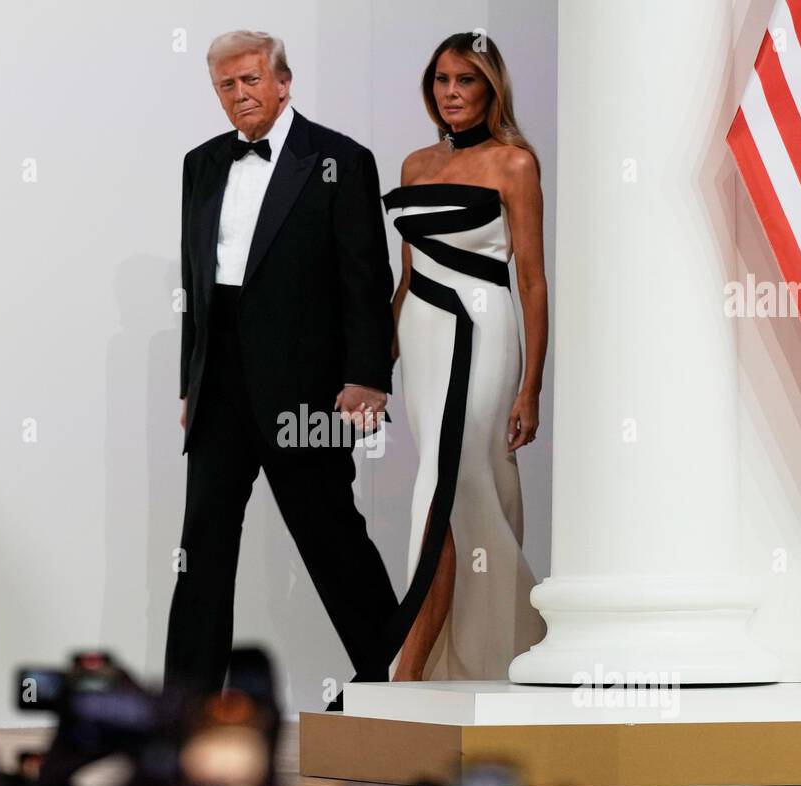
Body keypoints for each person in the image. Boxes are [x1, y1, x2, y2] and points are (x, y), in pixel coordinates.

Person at [165, 31, 399, 706]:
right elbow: (196, 281)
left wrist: (367, 378)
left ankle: (392, 680)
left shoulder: (339, 159)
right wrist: (192, 378)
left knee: (331, 533)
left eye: (250, 81)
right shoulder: (201, 163)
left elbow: (365, 278)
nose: (239, 95)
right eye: (225, 85)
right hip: (220, 383)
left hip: (309, 386)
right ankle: (185, 706)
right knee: (203, 544)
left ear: (283, 82)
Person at [383, 32, 549, 680]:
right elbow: (407, 276)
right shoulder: (415, 166)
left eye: (466, 81)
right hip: (422, 337)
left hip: (484, 332)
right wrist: (379, 363)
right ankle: (503, 651)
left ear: (491, 88)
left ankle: (408, 668)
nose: (451, 93)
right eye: (442, 80)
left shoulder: (514, 163)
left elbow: (531, 279)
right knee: (460, 490)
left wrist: (531, 386)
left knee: (448, 486)